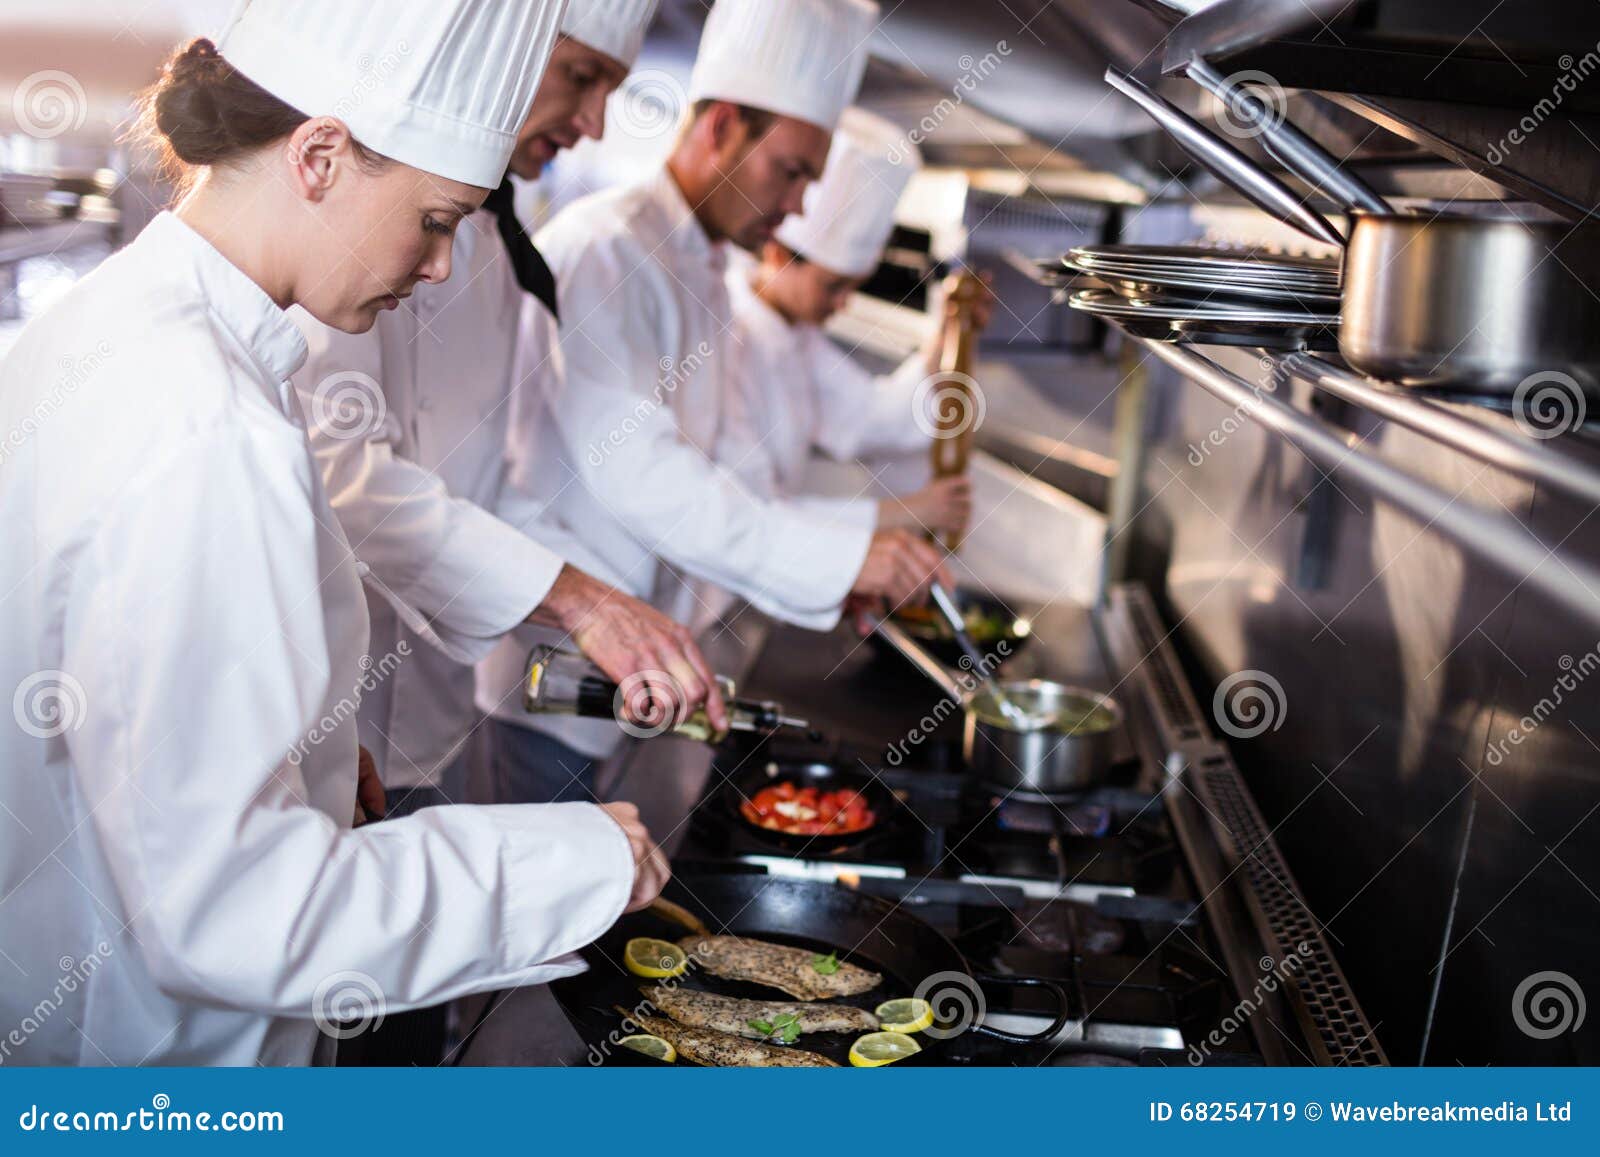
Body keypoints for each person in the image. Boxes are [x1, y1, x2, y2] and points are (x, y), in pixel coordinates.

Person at [0, 0, 666, 1067]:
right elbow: (228, 911)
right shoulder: (209, 424)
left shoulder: (108, 324)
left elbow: (107, 695)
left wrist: (295, 744)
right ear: (318, 157)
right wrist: (571, 863)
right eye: (438, 219)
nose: (441, 264)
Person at [476, 0, 952, 804]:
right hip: (556, 683)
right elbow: (640, 469)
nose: (798, 205)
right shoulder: (607, 250)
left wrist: (849, 554)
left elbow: (728, 466)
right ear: (721, 126)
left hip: (644, 670)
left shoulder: (703, 273)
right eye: (793, 170)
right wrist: (837, 556)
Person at [287, 0, 683, 822]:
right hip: (321, 725)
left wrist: (610, 607)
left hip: (433, 711)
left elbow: (480, 479)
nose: (594, 123)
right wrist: (575, 596)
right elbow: (346, 481)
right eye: (581, 77)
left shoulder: (498, 251)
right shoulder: (342, 221)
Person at [719, 108, 990, 539]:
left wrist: (950, 336)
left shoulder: (796, 337)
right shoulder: (725, 336)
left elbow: (869, 417)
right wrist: (906, 512)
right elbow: (746, 510)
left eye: (853, 288)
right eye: (833, 286)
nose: (842, 304)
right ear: (776, 253)